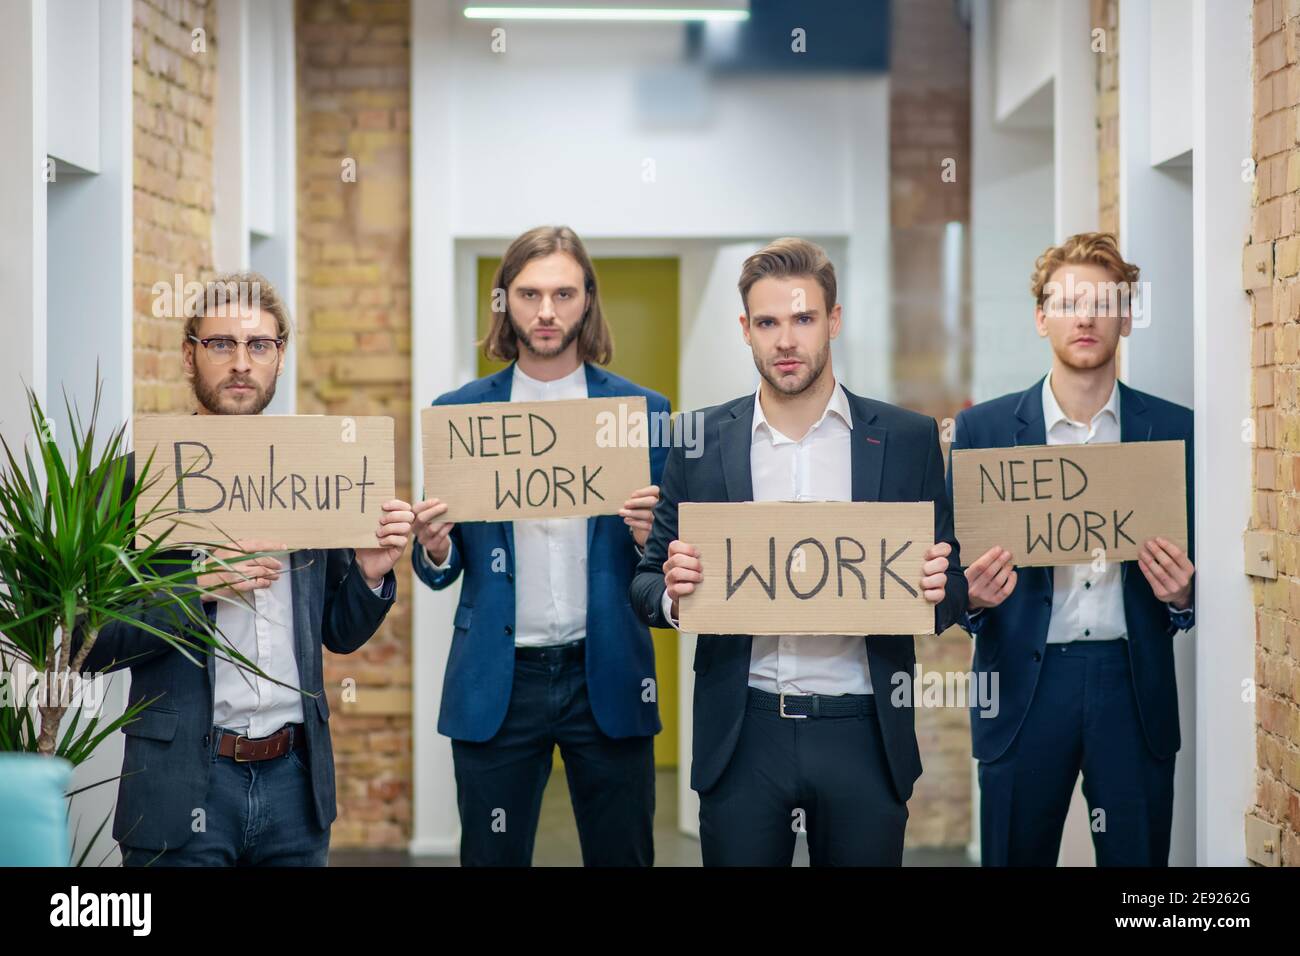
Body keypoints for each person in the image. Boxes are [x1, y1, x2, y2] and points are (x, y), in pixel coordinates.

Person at [629, 237, 966, 866]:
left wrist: (945, 590)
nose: (786, 340)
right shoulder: (697, 441)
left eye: (804, 319)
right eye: (768, 323)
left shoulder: (908, 439)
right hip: (744, 730)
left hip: (864, 730)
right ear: (746, 330)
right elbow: (645, 586)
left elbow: (951, 593)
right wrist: (676, 597)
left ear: (833, 320)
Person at [77, 272, 413, 866]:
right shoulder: (129, 483)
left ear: (280, 356)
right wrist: (196, 587)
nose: (241, 362)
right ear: (189, 355)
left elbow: (338, 632)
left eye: (259, 345)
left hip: (295, 787)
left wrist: (369, 573)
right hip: (183, 787)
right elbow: (89, 641)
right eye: (220, 344)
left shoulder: (315, 475)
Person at [411, 226, 670, 866]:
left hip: (607, 671)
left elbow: (670, 563)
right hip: (500, 680)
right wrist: (436, 547)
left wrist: (652, 540)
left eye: (563, 293)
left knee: (624, 857)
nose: (547, 311)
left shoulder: (643, 410)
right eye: (528, 294)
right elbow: (438, 570)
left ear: (588, 300)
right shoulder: (461, 414)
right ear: (504, 302)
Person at [948, 232, 1195, 866]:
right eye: (1067, 303)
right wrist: (968, 596)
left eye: (1103, 302)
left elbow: (1200, 570)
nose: (1085, 316)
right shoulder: (985, 431)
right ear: (1041, 318)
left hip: (1131, 684)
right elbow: (951, 568)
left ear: (1127, 317)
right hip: (1024, 689)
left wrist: (1186, 595)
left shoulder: (1173, 431)